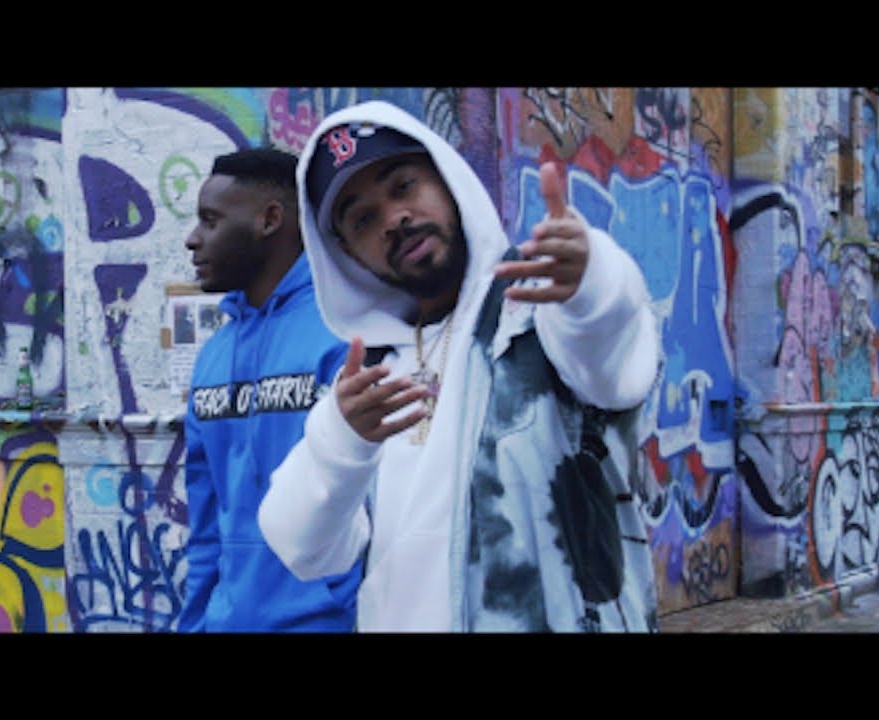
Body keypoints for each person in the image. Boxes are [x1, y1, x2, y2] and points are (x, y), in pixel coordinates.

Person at [257, 100, 661, 632]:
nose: (394, 219)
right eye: (363, 219)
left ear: (447, 179)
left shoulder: (533, 312)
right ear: (348, 255)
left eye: (404, 186)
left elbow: (611, 350)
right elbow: (302, 548)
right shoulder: (373, 376)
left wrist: (589, 284)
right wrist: (342, 440)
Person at [176, 147, 359, 632]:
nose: (193, 240)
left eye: (211, 221)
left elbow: (376, 505)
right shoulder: (214, 356)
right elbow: (207, 523)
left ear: (270, 219)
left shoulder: (344, 336)